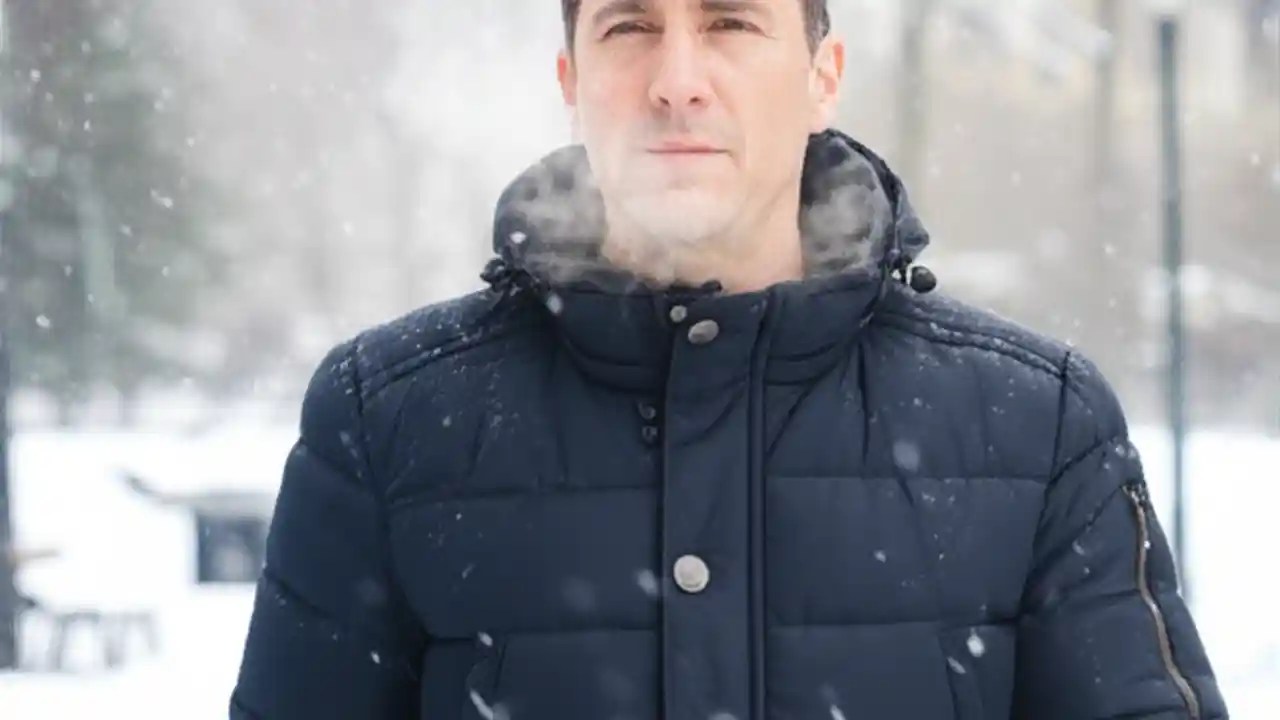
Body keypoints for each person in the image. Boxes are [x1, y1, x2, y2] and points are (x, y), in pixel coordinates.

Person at [231, 1, 1227, 718]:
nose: (674, 80)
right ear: (570, 80)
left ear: (819, 76)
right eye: (628, 26)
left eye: (728, 22)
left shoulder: (1034, 423)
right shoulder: (387, 417)